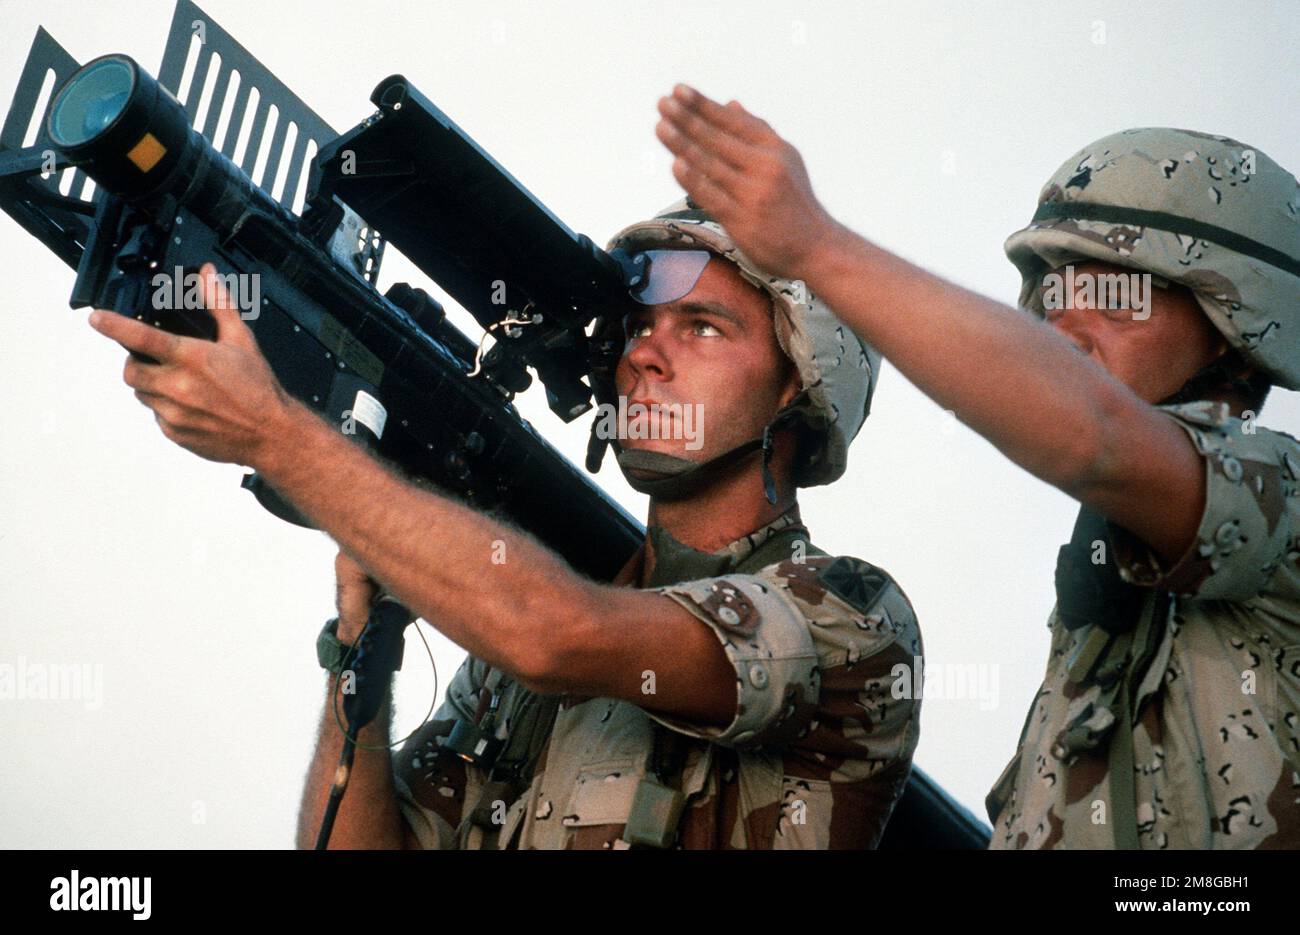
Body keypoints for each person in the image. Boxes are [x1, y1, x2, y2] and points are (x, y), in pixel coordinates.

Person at [87, 202, 922, 849]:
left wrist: (277, 434)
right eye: (638, 327)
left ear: (798, 390)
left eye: (703, 327)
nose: (645, 356)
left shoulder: (847, 616)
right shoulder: (515, 679)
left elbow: (553, 633)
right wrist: (361, 647)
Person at [655, 85, 1299, 849]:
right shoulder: (1104, 617)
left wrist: (813, 246)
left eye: (1116, 298)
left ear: (1231, 326)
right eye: (1052, 300)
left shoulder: (1279, 506)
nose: (1069, 329)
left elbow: (1091, 432)